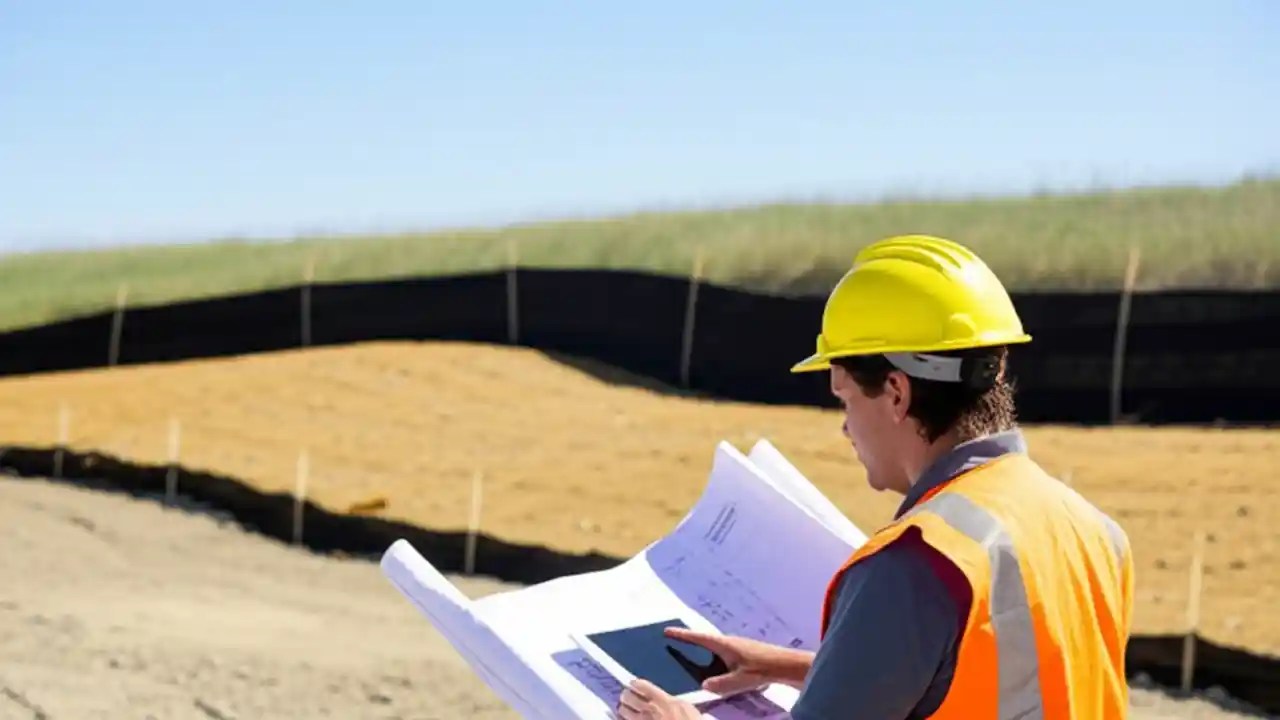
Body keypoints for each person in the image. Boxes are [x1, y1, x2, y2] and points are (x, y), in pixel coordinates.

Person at [616, 235, 1135, 719]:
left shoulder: (918, 563)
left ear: (895, 392)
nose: (843, 425)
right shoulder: (1093, 531)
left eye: (843, 397)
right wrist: (797, 668)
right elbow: (1010, 681)